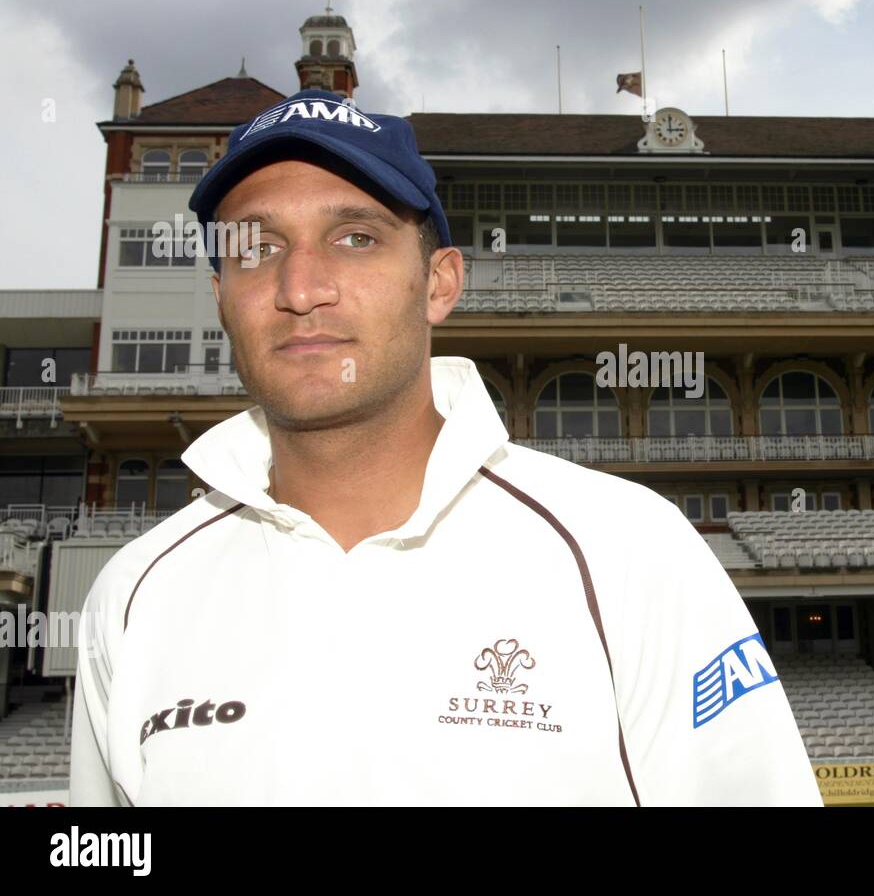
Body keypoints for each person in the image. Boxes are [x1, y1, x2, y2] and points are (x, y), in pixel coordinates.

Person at [70, 88, 822, 807]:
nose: (300, 288)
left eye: (355, 238)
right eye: (256, 249)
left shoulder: (628, 549)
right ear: (221, 296)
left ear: (439, 284)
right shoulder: (134, 595)